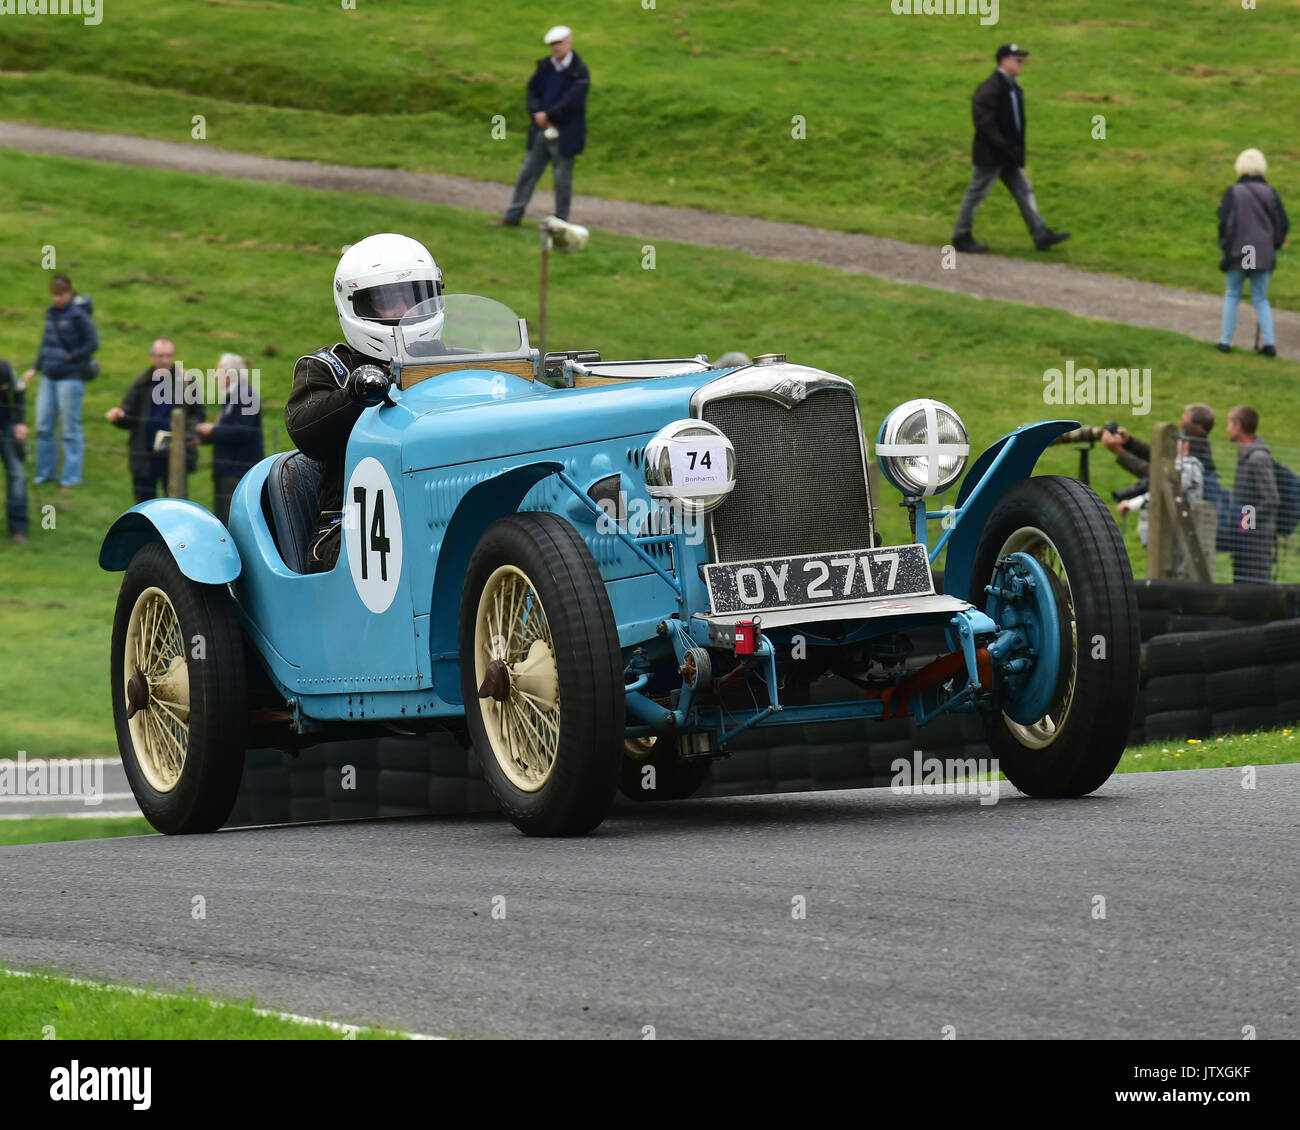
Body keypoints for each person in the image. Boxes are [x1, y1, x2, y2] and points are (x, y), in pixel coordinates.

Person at [286, 233, 442, 573]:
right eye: (390, 300)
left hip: (441, 510)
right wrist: (355, 394)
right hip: (351, 524)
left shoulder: (454, 364)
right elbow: (305, 432)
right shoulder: (329, 368)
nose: (405, 311)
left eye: (416, 297)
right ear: (355, 304)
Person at [952, 44, 1070, 255]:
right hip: (992, 154)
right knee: (977, 192)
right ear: (1004, 61)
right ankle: (961, 235)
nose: (1021, 64)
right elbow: (984, 123)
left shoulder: (1012, 87)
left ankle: (1040, 233)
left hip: (1007, 153)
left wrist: (1013, 149)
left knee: (1023, 189)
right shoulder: (990, 88)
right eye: (1018, 60)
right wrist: (1004, 146)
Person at [495, 25, 590, 227]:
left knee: (562, 180)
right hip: (541, 130)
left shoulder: (579, 72)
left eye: (559, 43)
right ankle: (512, 217)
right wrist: (537, 112)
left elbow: (573, 100)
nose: (555, 48)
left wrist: (550, 115)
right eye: (552, 44)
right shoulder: (546, 67)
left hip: (565, 133)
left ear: (569, 42)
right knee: (527, 173)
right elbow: (533, 90)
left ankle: (560, 223)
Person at [21, 274, 99, 491]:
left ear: (70, 292)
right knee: (43, 425)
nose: (58, 299)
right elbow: (45, 344)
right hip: (48, 376)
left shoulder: (78, 315)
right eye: (55, 294)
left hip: (70, 378)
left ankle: (70, 478)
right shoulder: (51, 313)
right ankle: (45, 473)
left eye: (62, 294)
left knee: (69, 428)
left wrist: (73, 356)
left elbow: (93, 343)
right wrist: (35, 368)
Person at [105, 339, 205, 502]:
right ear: (152, 357)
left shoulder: (186, 381)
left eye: (168, 356)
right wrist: (117, 416)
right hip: (145, 454)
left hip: (175, 454)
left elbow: (198, 414)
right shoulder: (142, 383)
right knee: (144, 506)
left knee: (176, 505)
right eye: (160, 356)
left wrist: (189, 433)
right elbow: (129, 417)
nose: (165, 360)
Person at [1216, 148, 1288, 356]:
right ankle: (1270, 344)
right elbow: (1282, 224)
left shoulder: (1234, 192)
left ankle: (1225, 342)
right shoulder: (1271, 193)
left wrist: (1225, 246)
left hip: (1242, 251)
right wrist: (1272, 246)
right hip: (1262, 252)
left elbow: (1224, 222)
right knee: (1260, 297)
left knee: (1233, 294)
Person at [194, 353, 264, 526]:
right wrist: (206, 438)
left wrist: (212, 430)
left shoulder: (246, 395)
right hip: (229, 470)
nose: (216, 376)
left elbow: (243, 432)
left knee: (231, 521)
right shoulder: (234, 396)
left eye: (218, 371)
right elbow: (231, 429)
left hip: (237, 472)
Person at [1225, 405, 1278, 583]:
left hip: (1257, 543)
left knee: (1256, 593)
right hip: (1247, 539)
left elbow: (1271, 500)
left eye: (1229, 424)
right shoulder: (1245, 456)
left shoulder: (1258, 459)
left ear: (1238, 426)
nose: (1227, 429)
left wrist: (1246, 522)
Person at [0, 358, 29, 546]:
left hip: (6, 427)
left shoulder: (4, 368)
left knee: (17, 475)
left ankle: (18, 530)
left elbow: (19, 391)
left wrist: (19, 422)